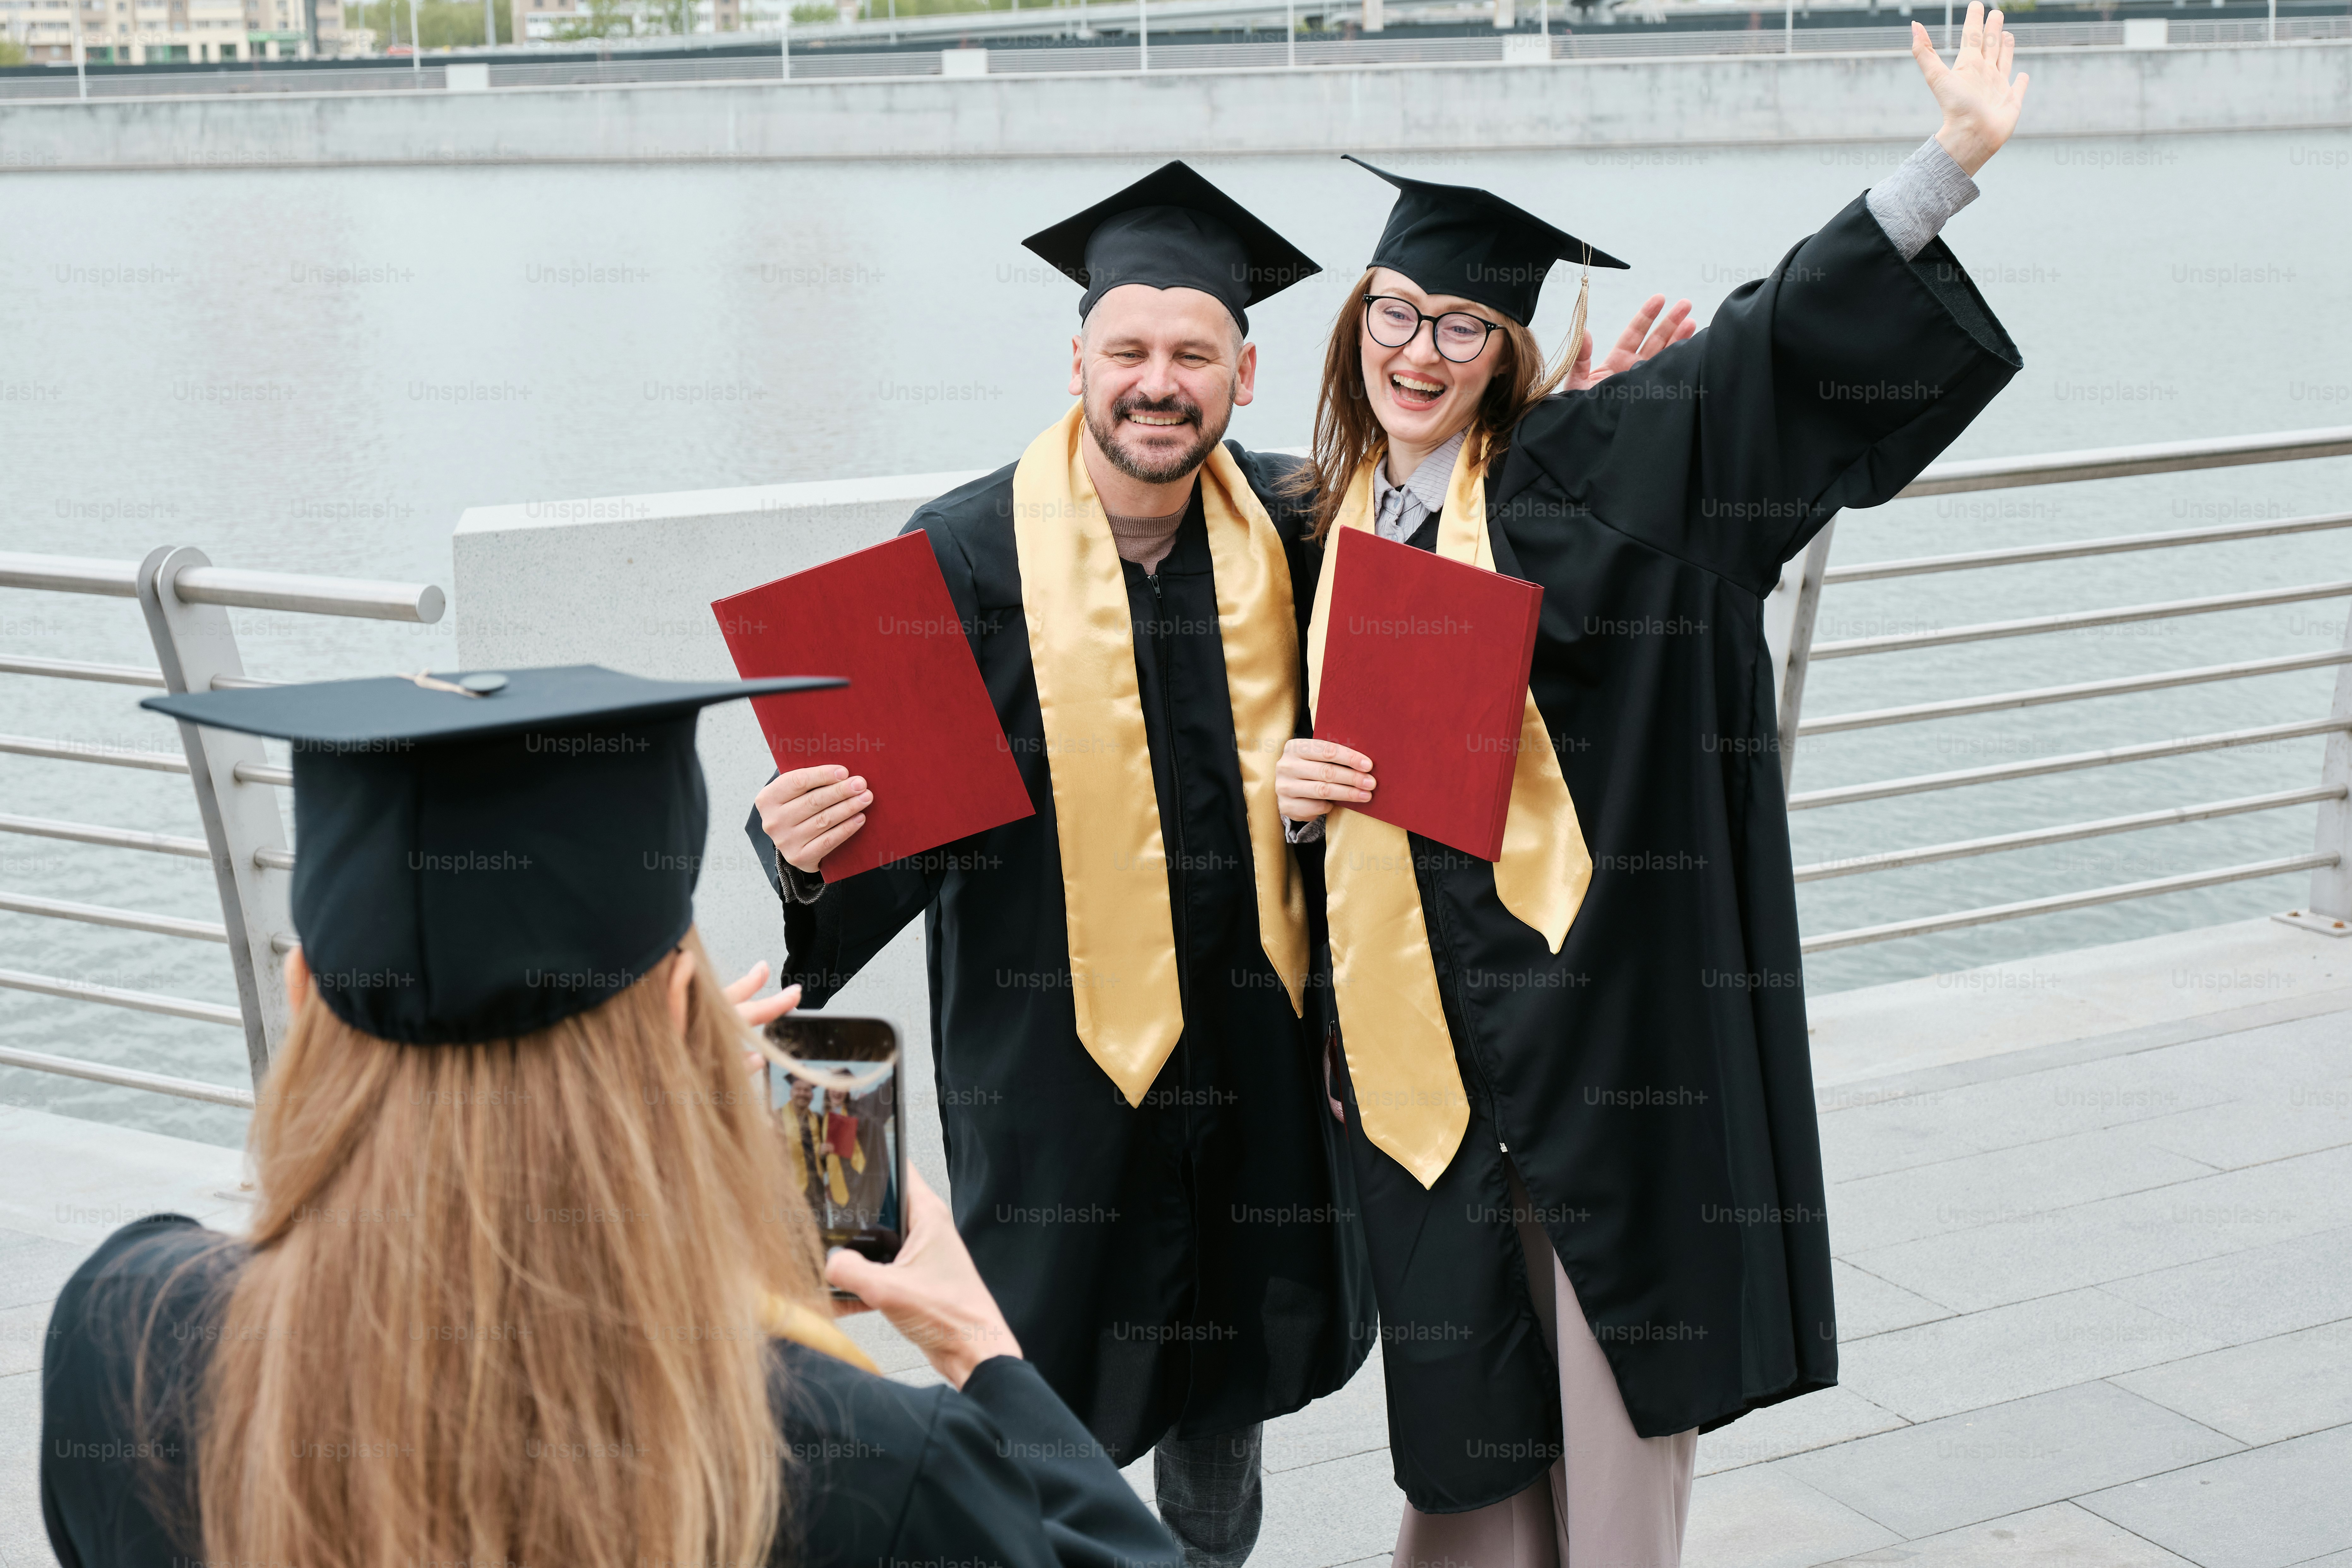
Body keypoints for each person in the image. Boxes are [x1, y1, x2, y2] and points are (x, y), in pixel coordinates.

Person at [1272, 11, 2030, 1565]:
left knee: (1611, 1414)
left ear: (1510, 351)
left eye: (1461, 329)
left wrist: (1943, 167)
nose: (1420, 353)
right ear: (1356, 321)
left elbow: (1759, 352)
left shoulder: (1579, 472)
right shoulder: (1303, 531)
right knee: (1462, 1421)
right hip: (1415, 1056)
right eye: (1396, 315)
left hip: (1588, 1031)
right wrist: (1293, 804)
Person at [40, 665, 1182, 1568]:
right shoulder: (861, 1461)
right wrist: (977, 1343)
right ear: (686, 1007)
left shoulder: (120, 1337)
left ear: (302, 997)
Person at [747, 160, 1366, 1568]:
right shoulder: (957, 559)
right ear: (1075, 356)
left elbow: (1438, 608)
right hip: (1050, 1076)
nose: (1160, 383)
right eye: (1130, 351)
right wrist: (794, 847)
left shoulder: (1292, 532)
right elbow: (859, 856)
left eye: (1193, 354)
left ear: (1244, 372)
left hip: (1252, 1063)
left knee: (1225, 1404)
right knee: (1037, 1407)